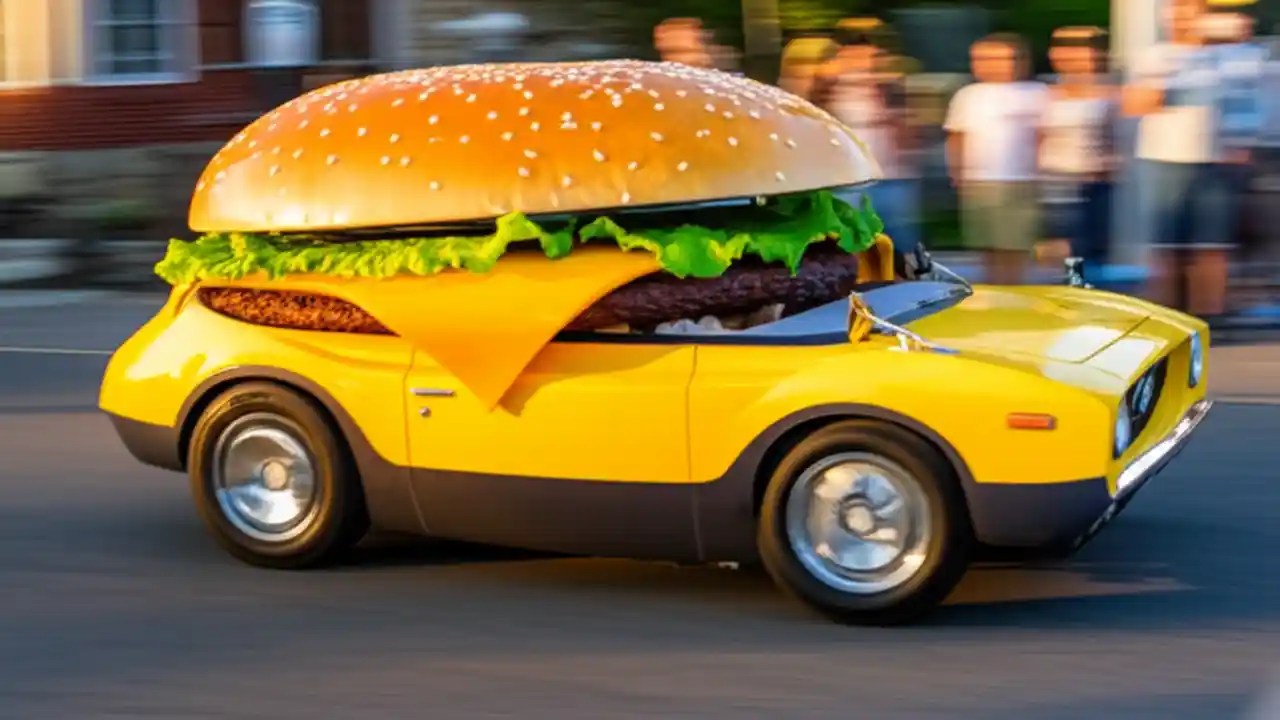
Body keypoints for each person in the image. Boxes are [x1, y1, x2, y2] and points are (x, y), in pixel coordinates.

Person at [1121, 0, 1253, 321]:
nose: (1183, 19)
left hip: (1216, 163)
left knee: (1212, 246)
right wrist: (1177, 77)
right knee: (1164, 248)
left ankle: (1210, 318)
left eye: (1192, 12)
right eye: (1177, 12)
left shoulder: (1228, 59)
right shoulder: (1155, 56)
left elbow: (1246, 107)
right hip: (1163, 160)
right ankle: (1166, 319)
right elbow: (1134, 104)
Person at [943, 33, 1049, 285]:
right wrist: (958, 174)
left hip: (1021, 181)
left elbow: (1044, 136)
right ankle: (992, 290)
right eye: (985, 59)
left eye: (1004, 58)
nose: (995, 64)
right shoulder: (968, 95)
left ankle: (1015, 288)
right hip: (980, 181)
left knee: (1016, 243)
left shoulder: (1037, 93)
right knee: (985, 243)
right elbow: (957, 137)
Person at [823, 32, 923, 266]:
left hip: (893, 179)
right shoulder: (828, 91)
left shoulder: (892, 90)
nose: (862, 64)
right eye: (855, 58)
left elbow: (909, 137)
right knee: (850, 241)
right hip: (849, 182)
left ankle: (907, 287)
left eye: (869, 58)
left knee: (901, 242)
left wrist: (885, 101)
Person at [1039, 26, 1120, 281]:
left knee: (1091, 248)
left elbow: (1118, 141)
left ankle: (1086, 294)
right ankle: (1065, 294)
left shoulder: (1111, 94)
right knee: (1058, 246)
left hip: (1095, 182)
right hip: (1055, 180)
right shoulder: (1044, 93)